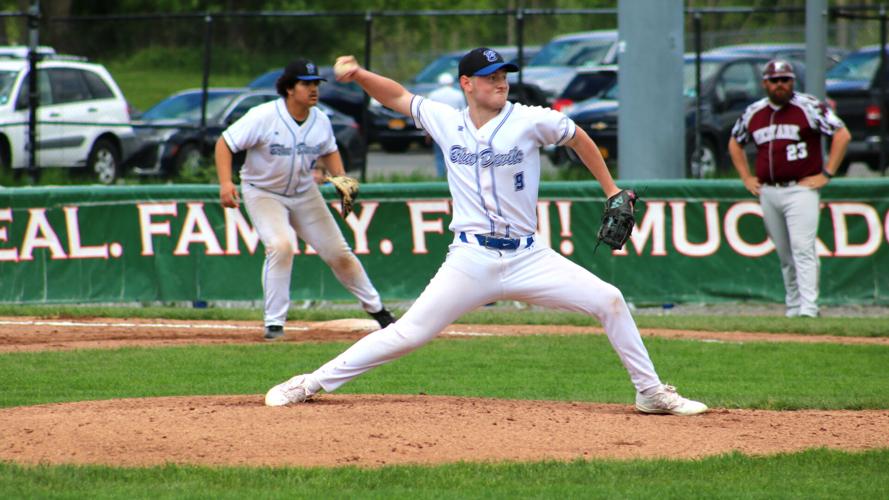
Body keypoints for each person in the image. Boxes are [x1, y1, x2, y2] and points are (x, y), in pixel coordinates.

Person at [265, 48, 707, 416]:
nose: (500, 82)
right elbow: (397, 96)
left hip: (529, 256)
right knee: (408, 333)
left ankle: (649, 392)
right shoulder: (445, 119)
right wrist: (359, 74)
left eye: (504, 75)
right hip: (471, 258)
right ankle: (308, 383)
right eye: (489, 76)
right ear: (466, 84)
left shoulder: (530, 119)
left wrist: (610, 189)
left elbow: (577, 137)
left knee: (609, 300)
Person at [215, 58, 396, 341]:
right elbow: (225, 143)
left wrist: (341, 179)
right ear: (289, 88)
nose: (313, 89)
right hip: (263, 192)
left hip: (303, 192)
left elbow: (329, 150)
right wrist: (226, 183)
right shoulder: (264, 116)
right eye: (306, 84)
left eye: (316, 84)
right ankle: (274, 325)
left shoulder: (320, 120)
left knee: (339, 253)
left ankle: (380, 312)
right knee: (281, 246)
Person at [728, 59, 850, 318]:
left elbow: (842, 134)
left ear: (793, 81)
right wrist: (746, 178)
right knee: (785, 253)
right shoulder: (754, 112)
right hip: (769, 191)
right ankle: (793, 307)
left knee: (802, 248)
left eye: (785, 79)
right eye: (775, 80)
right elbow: (735, 142)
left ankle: (809, 308)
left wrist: (827, 173)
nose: (780, 85)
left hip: (801, 188)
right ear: (765, 83)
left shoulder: (808, 106)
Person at [425, 72, 466, 177]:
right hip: (455, 130)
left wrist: (427, 132)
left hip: (438, 129)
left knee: (439, 155)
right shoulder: (458, 94)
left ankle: (441, 176)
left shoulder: (433, 94)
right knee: (455, 155)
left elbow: (429, 115)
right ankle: (453, 176)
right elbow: (464, 112)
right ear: (451, 82)